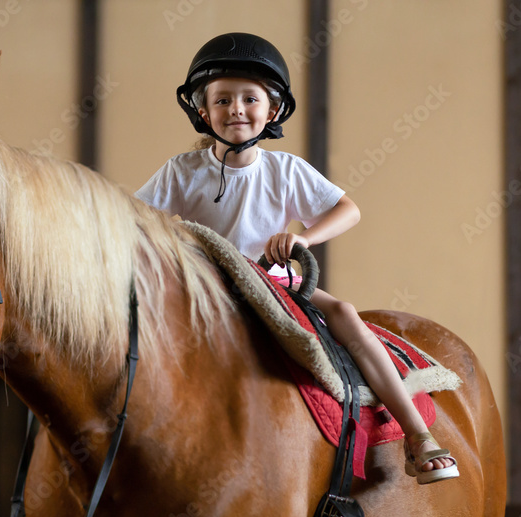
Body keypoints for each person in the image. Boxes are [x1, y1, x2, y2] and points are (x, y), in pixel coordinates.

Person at [136, 32, 458, 484]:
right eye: (223, 99)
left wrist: (304, 240)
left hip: (277, 283)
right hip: (205, 288)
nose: (236, 109)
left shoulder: (285, 170)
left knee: (345, 313)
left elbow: (348, 209)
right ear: (203, 111)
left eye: (250, 98)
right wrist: (164, 234)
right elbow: (133, 220)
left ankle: (417, 432)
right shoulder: (180, 171)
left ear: (272, 110)